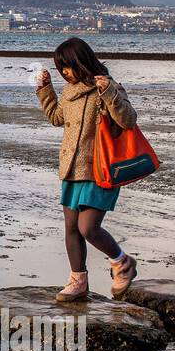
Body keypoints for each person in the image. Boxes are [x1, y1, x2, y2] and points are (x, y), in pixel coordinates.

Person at [35, 37, 139, 302]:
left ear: (82, 61)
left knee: (88, 228)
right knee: (70, 228)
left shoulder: (107, 86)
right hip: (72, 168)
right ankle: (78, 280)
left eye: (68, 67)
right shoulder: (69, 91)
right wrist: (46, 90)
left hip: (100, 169)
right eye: (61, 69)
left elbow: (128, 120)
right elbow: (57, 119)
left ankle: (122, 262)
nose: (65, 73)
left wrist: (109, 95)